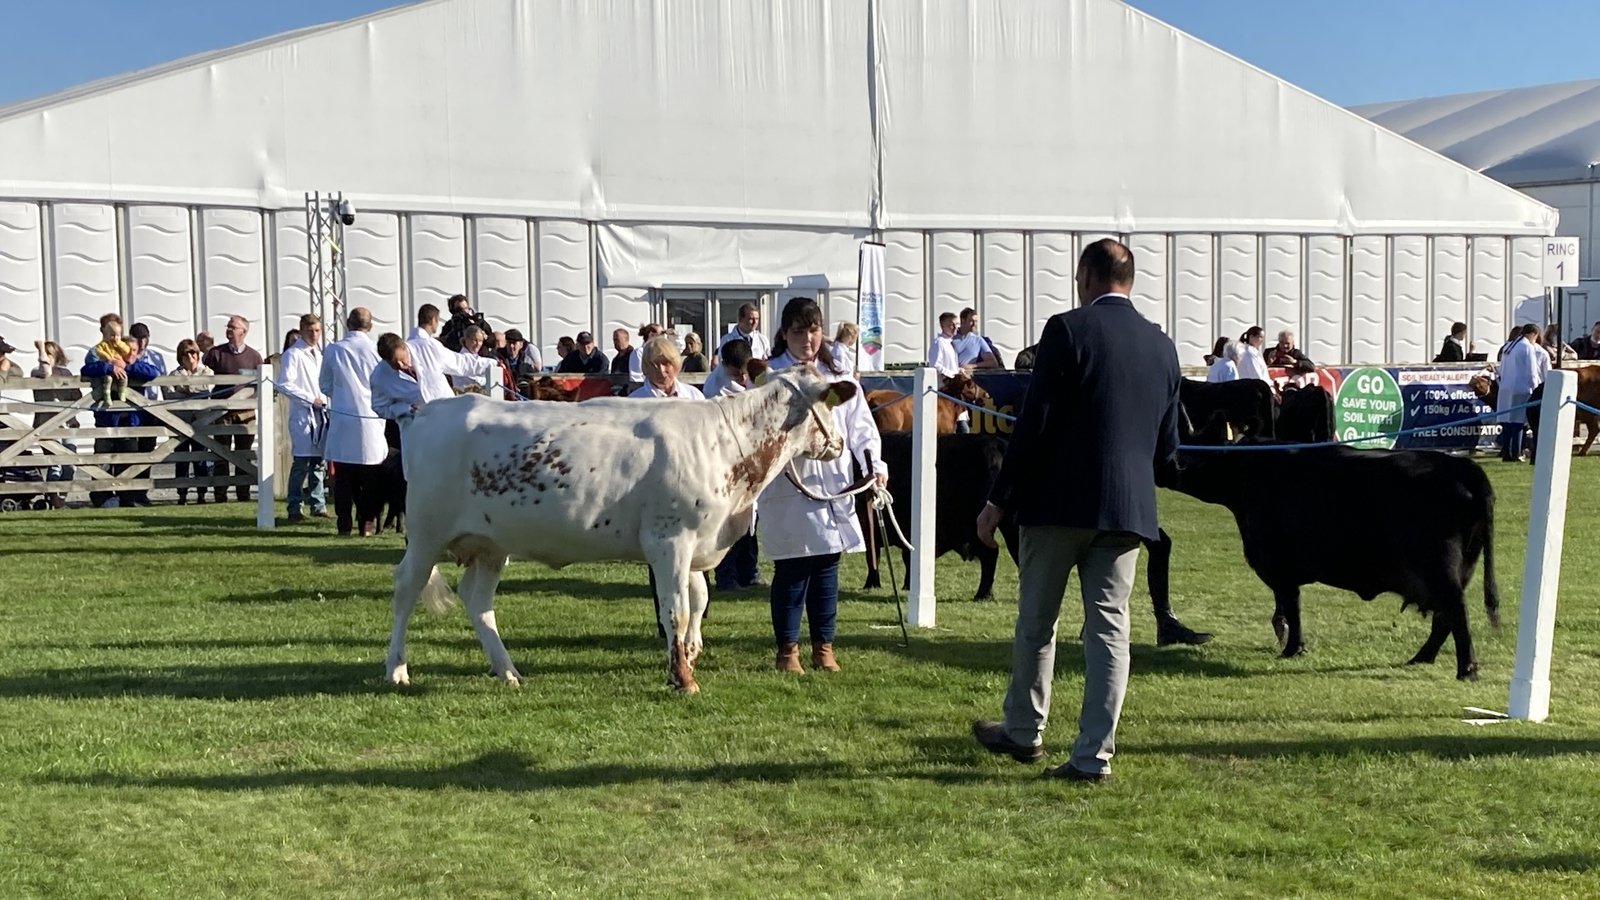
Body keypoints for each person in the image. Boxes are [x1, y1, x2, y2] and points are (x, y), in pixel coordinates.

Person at [971, 238, 1181, 784]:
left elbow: (1033, 425)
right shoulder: (1163, 346)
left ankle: (1023, 731)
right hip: (1126, 511)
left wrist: (997, 501)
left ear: (1087, 276)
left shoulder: (1065, 330)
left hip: (1056, 506)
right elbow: (1168, 449)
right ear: (1129, 280)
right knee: (1110, 633)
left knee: (1038, 624)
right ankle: (1093, 757)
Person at [759, 296, 887, 675]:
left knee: (827, 566)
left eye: (814, 330)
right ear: (785, 334)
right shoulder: (769, 377)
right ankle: (788, 651)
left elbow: (862, 428)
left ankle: (823, 647)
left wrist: (874, 465)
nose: (808, 339)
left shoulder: (839, 377)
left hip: (833, 484)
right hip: (789, 484)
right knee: (793, 568)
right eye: (799, 332)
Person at [698, 337, 763, 592]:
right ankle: (726, 577)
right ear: (724, 364)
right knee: (728, 522)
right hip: (725, 461)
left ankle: (750, 573)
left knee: (749, 520)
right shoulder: (715, 387)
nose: (741, 377)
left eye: (745, 371)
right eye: (736, 372)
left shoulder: (751, 379)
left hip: (749, 459)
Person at [82, 313, 163, 508]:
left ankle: (130, 496)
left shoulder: (130, 357)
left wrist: (128, 364)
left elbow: (152, 373)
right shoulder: (97, 352)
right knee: (103, 458)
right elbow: (87, 370)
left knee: (129, 458)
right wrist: (108, 366)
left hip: (131, 418)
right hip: (106, 416)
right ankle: (102, 497)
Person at [320, 308, 388, 536]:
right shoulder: (376, 351)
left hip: (343, 419)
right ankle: (366, 524)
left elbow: (324, 385)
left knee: (344, 480)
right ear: (370, 325)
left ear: (348, 323)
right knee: (370, 479)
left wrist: (341, 395)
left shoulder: (334, 350)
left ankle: (344, 524)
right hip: (371, 420)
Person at [201, 315, 264, 503]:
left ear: (243, 332)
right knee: (221, 453)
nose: (229, 329)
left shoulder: (254, 356)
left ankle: (243, 494)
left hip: (246, 412)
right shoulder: (215, 354)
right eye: (228, 326)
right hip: (221, 411)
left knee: (244, 454)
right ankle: (220, 494)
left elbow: (260, 383)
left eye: (233, 327)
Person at [276, 314, 329, 523]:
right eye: (310, 331)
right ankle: (294, 506)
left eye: (317, 331)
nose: (314, 335)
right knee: (301, 463)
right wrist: (309, 399)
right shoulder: (293, 354)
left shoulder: (320, 353)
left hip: (321, 413)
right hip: (303, 414)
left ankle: (318, 504)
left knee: (319, 463)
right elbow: (284, 384)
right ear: (302, 330)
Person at [407, 303, 492, 402]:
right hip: (437, 401)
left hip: (418, 402)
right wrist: (492, 363)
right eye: (437, 320)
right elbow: (460, 364)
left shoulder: (409, 345)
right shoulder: (431, 345)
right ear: (433, 320)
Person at [370, 332, 426, 482]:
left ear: (404, 347)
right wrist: (405, 409)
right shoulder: (379, 377)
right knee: (416, 474)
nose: (401, 365)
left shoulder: (425, 350)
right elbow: (379, 407)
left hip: (441, 417)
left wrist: (491, 363)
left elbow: (459, 363)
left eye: (402, 359)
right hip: (413, 426)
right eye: (394, 363)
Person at [165, 338, 213, 505]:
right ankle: (182, 494)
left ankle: (201, 493)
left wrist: (186, 389)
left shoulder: (206, 371)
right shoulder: (174, 375)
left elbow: (206, 388)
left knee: (201, 458)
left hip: (201, 421)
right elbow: (168, 394)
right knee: (182, 459)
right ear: (181, 356)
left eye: (193, 352)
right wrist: (189, 389)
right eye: (187, 353)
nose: (191, 356)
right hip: (181, 422)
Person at [1497, 324, 1548, 463]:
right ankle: (1517, 452)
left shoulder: (1508, 346)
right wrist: (1536, 388)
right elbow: (1531, 371)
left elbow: (1501, 369)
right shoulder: (1527, 347)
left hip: (1506, 387)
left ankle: (1506, 452)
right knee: (1520, 421)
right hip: (1521, 388)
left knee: (1508, 420)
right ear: (1533, 334)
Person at [928, 312, 968, 432]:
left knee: (962, 424)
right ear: (943, 325)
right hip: (944, 392)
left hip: (954, 392)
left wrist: (958, 371)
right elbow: (935, 365)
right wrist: (952, 375)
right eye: (952, 325)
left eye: (957, 324)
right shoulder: (939, 343)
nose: (955, 327)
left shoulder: (951, 344)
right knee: (959, 428)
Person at [87, 318, 137, 406]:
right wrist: (109, 365)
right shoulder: (100, 347)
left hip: (129, 404)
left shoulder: (121, 346)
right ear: (104, 333)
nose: (115, 338)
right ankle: (106, 394)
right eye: (112, 335)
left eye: (118, 335)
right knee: (108, 380)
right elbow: (88, 368)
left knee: (124, 378)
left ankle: (122, 392)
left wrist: (125, 366)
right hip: (102, 400)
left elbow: (127, 351)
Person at [450, 325, 505, 395]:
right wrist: (495, 364)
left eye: (480, 341)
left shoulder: (476, 356)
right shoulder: (462, 358)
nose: (478, 344)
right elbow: (475, 367)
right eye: (475, 340)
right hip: (464, 398)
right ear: (466, 339)